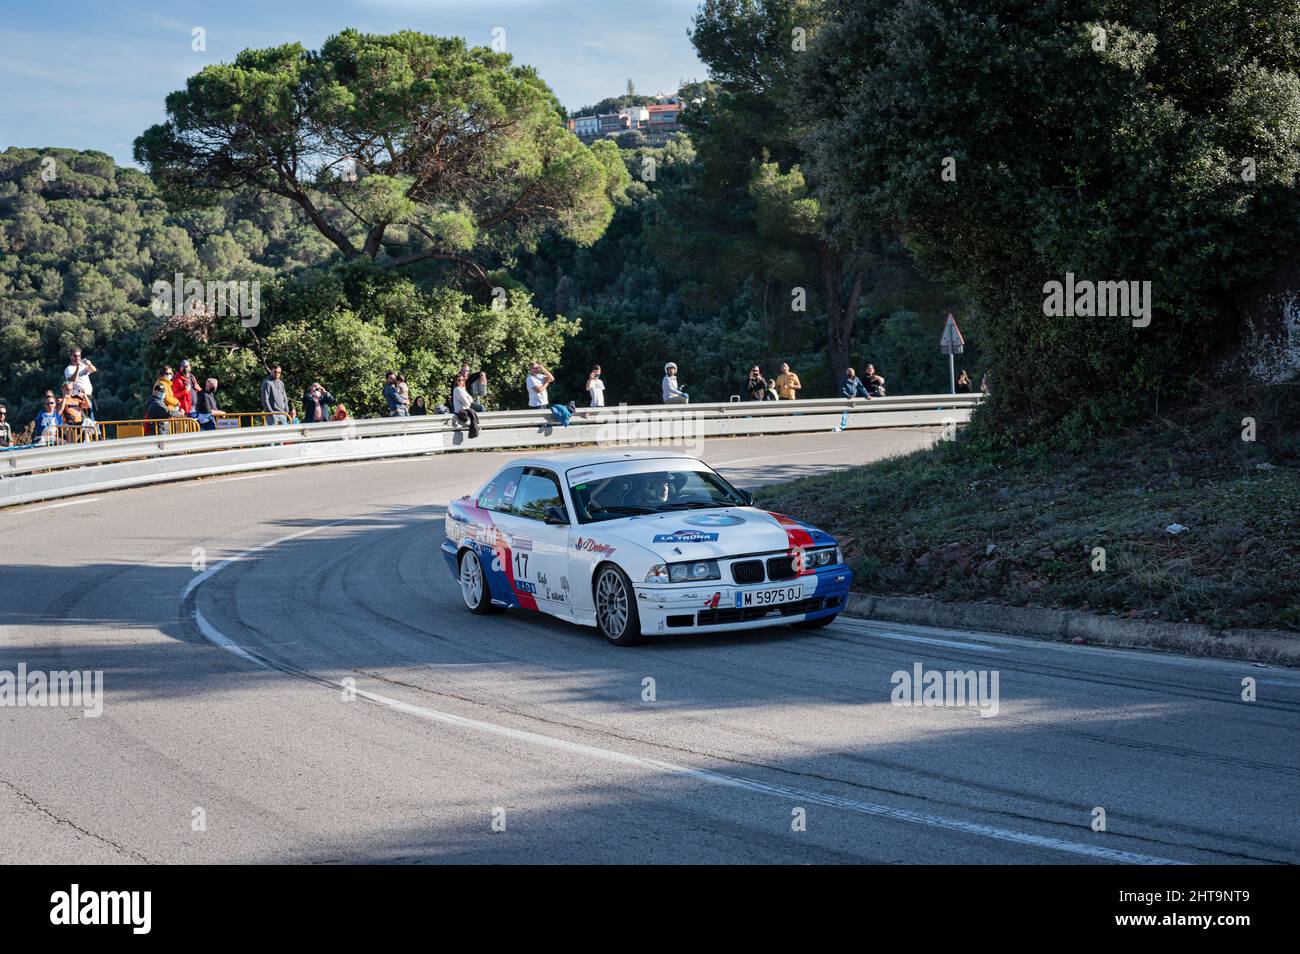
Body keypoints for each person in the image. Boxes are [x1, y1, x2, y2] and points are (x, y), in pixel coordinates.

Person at [452, 371, 480, 439]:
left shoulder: (462, 389)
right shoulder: (457, 389)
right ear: (456, 381)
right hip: (461, 411)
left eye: (462, 380)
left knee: (477, 409)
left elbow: (471, 399)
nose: (460, 382)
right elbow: (467, 402)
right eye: (459, 380)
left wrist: (468, 399)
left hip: (465, 409)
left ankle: (474, 430)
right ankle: (474, 431)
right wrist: (468, 399)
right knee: (474, 411)